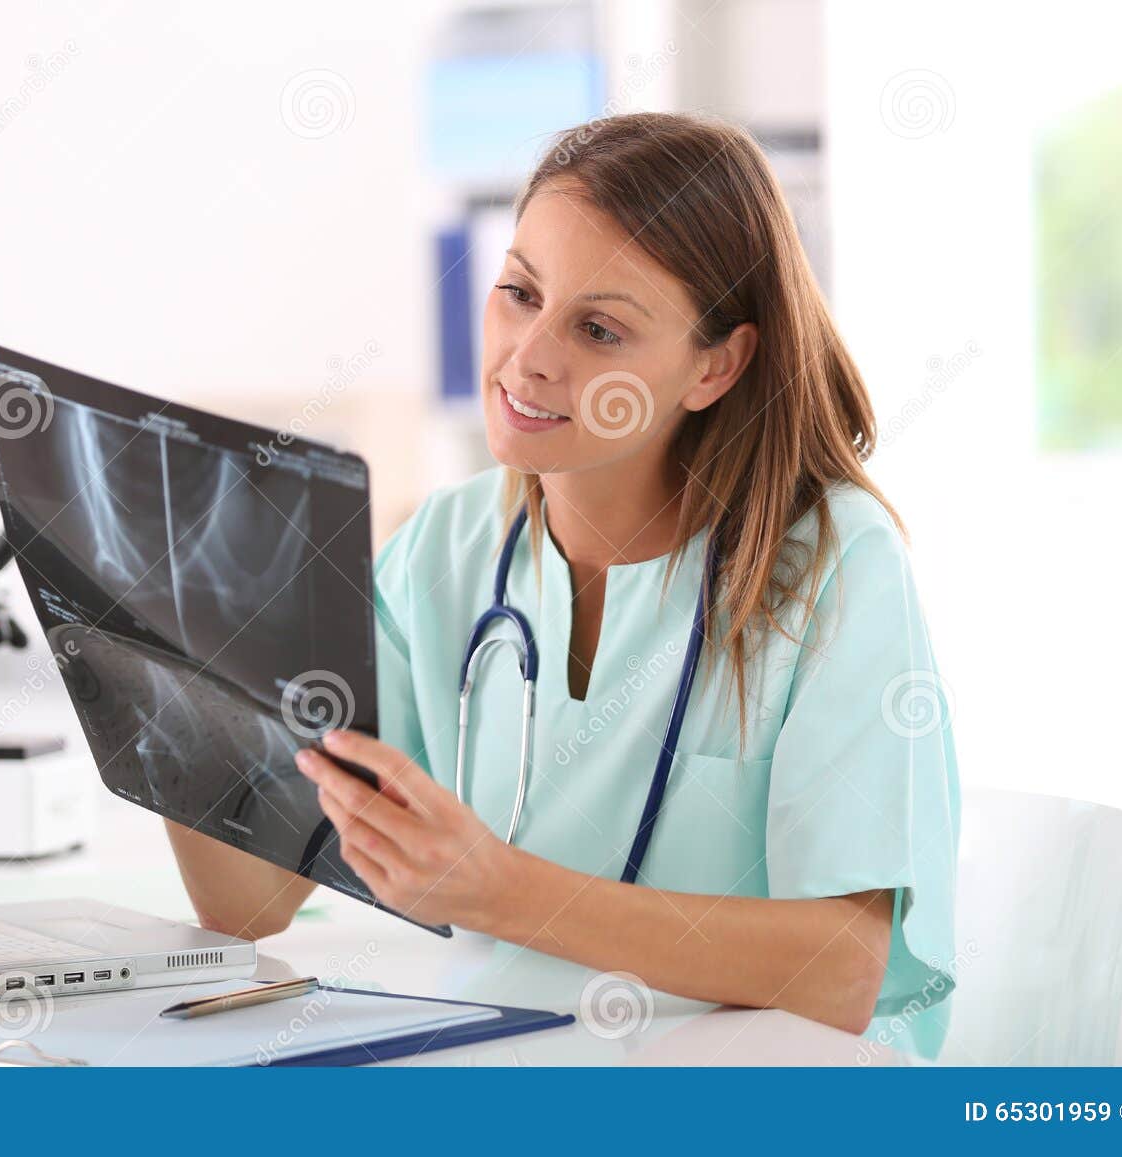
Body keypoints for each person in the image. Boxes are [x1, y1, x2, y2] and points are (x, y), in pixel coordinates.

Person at [168, 112, 960, 1056]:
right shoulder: (446, 549)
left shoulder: (833, 568)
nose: (528, 355)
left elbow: (842, 970)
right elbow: (248, 901)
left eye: (598, 327)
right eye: (517, 292)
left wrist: (499, 888)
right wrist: (168, 659)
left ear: (715, 365)